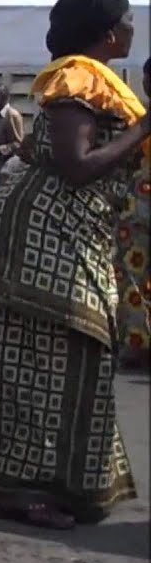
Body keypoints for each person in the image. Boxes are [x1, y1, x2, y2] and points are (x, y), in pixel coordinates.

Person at [0, 0, 147, 529]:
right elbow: (75, 163)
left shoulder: (94, 79)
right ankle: (20, 488)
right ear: (107, 30)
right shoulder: (81, 78)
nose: (133, 27)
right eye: (126, 18)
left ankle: (62, 484)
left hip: (70, 231)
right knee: (44, 363)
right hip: (54, 236)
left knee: (74, 361)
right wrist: (145, 127)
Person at [116, 57, 150, 371]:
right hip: (138, 205)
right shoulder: (137, 116)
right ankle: (137, 344)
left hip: (139, 206)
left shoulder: (138, 118)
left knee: (133, 276)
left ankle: (137, 344)